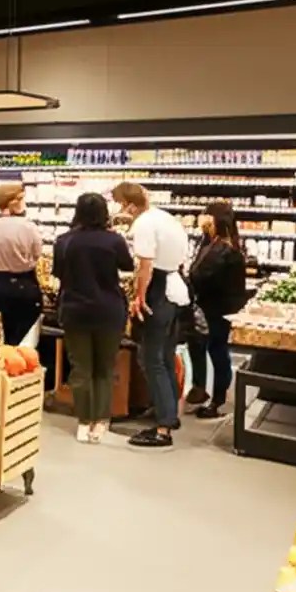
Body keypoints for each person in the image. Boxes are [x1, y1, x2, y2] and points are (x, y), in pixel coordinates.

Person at [113, 181, 191, 448]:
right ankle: (168, 412)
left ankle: (162, 429)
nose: (121, 210)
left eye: (121, 204)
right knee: (166, 357)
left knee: (150, 359)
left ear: (130, 205)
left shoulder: (144, 224)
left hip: (158, 290)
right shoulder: (166, 218)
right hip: (175, 287)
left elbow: (145, 265)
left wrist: (139, 297)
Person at [53, 193, 134, 443]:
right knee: (104, 369)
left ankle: (83, 421)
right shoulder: (114, 241)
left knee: (80, 368)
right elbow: (128, 266)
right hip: (108, 310)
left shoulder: (64, 241)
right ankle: (101, 422)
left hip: (75, 309)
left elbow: (58, 272)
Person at [187, 202, 248, 419]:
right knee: (199, 345)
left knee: (216, 349)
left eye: (206, 215)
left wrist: (188, 279)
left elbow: (202, 276)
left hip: (218, 309)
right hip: (209, 307)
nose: (202, 218)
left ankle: (218, 400)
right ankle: (200, 388)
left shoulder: (225, 249)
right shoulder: (213, 243)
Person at [0, 182, 44, 345]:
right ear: (14, 202)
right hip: (25, 286)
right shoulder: (29, 227)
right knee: (24, 341)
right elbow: (37, 254)